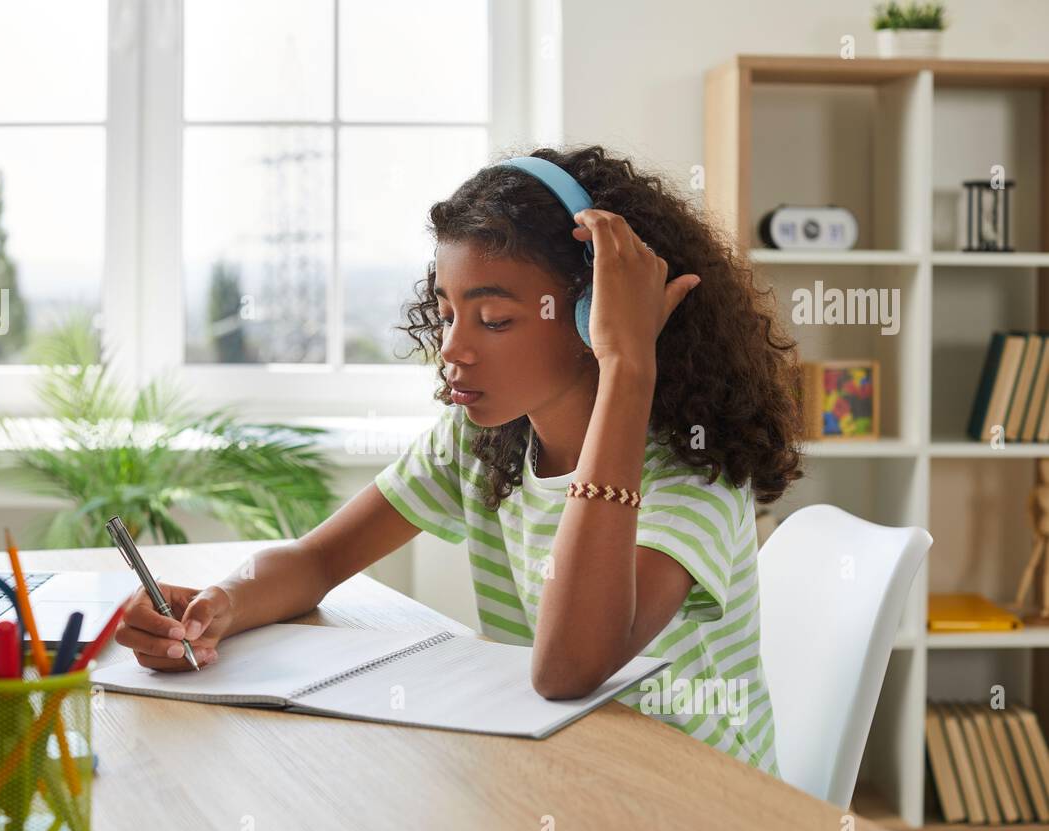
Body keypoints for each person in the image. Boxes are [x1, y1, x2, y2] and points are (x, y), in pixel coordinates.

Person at [113, 145, 804, 776]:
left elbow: (568, 668)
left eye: (494, 320)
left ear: (593, 315)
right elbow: (319, 560)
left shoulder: (693, 472)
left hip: (699, 800)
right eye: (446, 313)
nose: (452, 349)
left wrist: (628, 365)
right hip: (567, 769)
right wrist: (222, 605)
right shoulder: (483, 441)